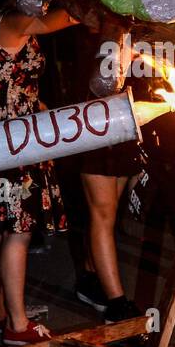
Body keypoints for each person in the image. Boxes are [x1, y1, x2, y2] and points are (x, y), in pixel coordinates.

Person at [0, 5, 76, 346]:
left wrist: (37, 104)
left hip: (11, 124)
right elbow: (61, 19)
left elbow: (11, 79)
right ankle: (16, 324)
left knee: (1, 227)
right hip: (11, 134)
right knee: (19, 228)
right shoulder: (13, 18)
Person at [67, 30, 142, 323]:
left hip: (124, 118)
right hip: (94, 121)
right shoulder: (96, 23)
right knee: (103, 214)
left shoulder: (129, 20)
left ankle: (90, 278)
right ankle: (117, 303)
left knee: (110, 209)